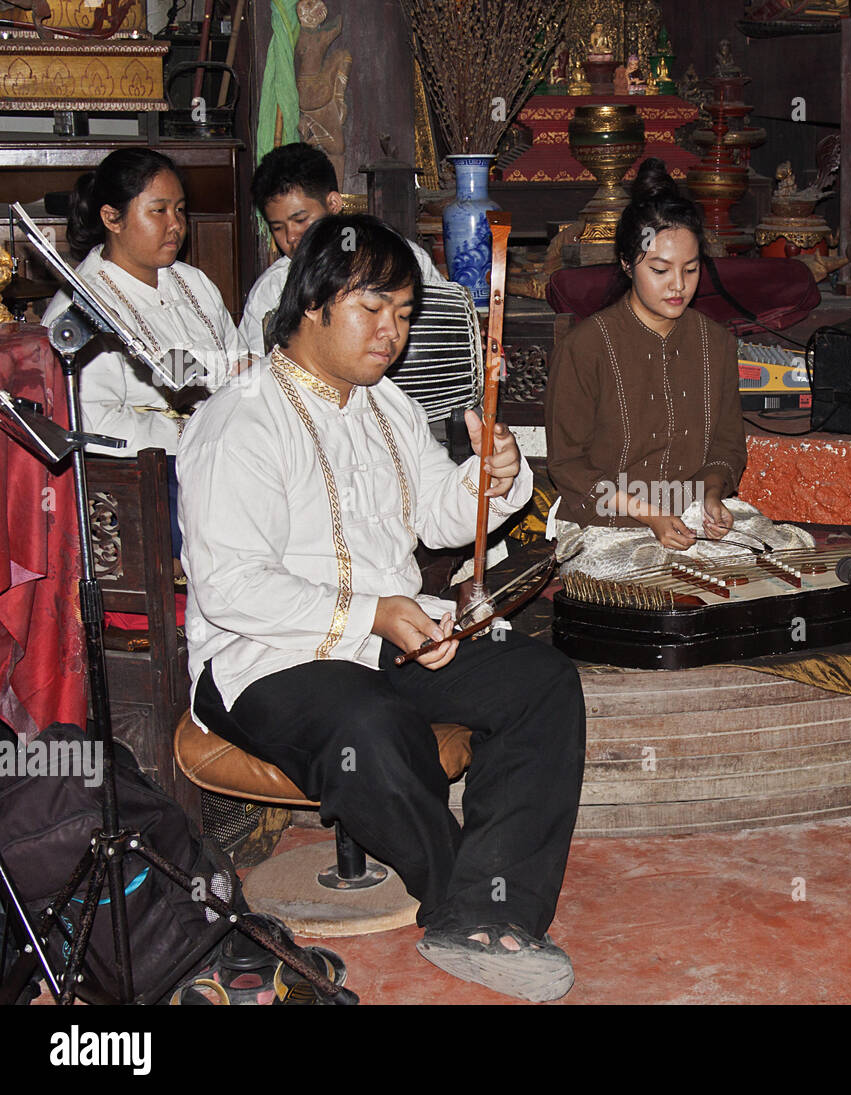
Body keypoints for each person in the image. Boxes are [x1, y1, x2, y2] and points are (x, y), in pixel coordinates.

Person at [180, 214, 586, 1001]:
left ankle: (489, 906)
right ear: (315, 302)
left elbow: (439, 513)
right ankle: (461, 898)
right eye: (375, 309)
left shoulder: (383, 405)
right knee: (373, 727)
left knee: (540, 681)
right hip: (266, 659)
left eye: (404, 314)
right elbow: (232, 588)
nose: (392, 333)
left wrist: (493, 473)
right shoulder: (239, 421)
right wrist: (373, 612)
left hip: (387, 632)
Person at [544, 158, 810, 578]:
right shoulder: (586, 347)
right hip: (607, 518)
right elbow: (568, 466)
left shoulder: (715, 343)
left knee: (783, 563)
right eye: (660, 270)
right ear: (627, 264)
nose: (678, 286)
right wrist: (649, 515)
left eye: (690, 269)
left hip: (688, 512)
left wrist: (710, 497)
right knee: (658, 586)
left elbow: (725, 446)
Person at [43, 147, 248, 556]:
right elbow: (94, 422)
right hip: (149, 479)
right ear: (111, 218)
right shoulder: (82, 308)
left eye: (180, 210)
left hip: (220, 457)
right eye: (158, 211)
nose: (175, 226)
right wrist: (190, 431)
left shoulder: (193, 283)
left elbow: (232, 364)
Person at [239, 142, 444, 357]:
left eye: (300, 220)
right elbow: (252, 361)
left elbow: (447, 328)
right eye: (278, 228)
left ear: (334, 204)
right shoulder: (272, 287)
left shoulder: (403, 259)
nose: (291, 237)